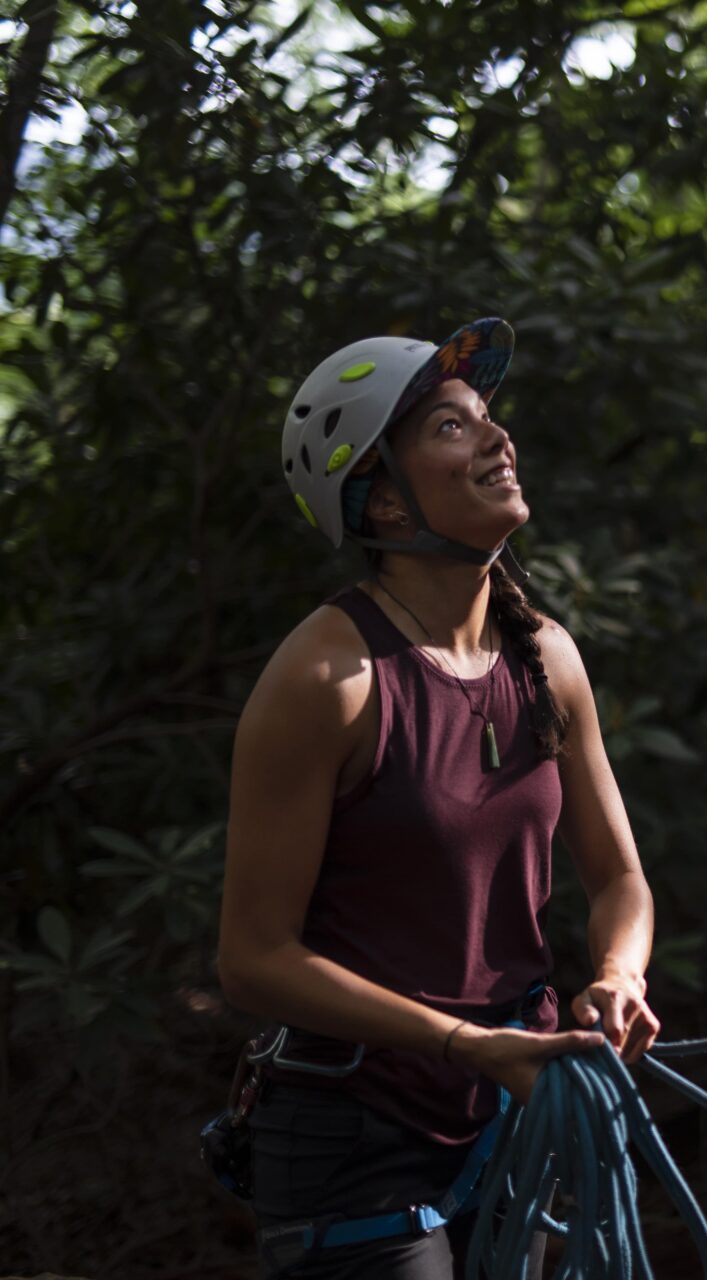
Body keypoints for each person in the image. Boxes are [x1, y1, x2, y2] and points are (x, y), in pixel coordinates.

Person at [216, 317, 663, 1278]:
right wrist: (464, 1044)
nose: (498, 437)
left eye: (487, 416)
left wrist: (619, 977)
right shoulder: (328, 678)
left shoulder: (545, 657)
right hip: (356, 1135)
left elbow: (620, 878)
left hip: (511, 1114)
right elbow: (253, 960)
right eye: (451, 427)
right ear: (382, 503)